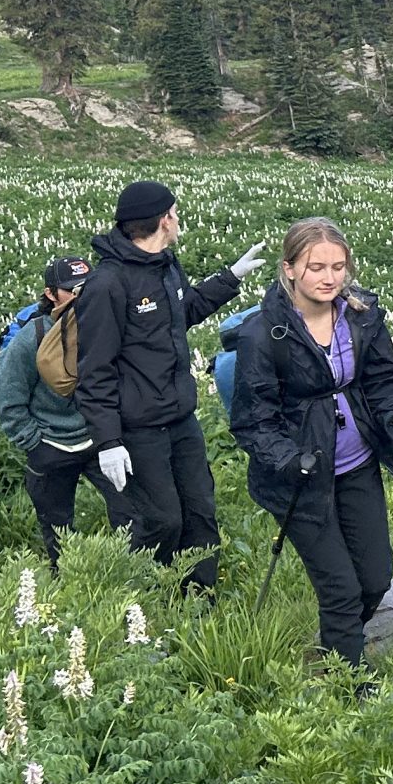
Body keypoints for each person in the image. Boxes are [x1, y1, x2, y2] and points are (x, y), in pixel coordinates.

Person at [227, 217, 393, 667]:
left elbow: (383, 383)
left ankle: (336, 646)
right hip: (302, 479)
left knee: (375, 578)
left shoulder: (361, 315)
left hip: (358, 463)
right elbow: (254, 421)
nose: (329, 278)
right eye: (316, 267)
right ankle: (350, 682)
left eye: (338, 266)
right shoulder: (264, 334)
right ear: (289, 269)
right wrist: (288, 460)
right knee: (341, 590)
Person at [73, 179, 268, 594]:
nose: (178, 220)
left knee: (200, 513)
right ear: (164, 219)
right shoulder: (107, 284)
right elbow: (95, 371)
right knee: (161, 520)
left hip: (180, 419)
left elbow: (184, 311)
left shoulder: (165, 264)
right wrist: (108, 441)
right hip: (138, 429)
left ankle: (199, 602)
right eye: (175, 213)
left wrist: (229, 278)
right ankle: (143, 601)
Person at [0, 255, 119, 567]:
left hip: (99, 439)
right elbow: (8, 399)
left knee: (131, 511)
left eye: (87, 287)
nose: (81, 295)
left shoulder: (104, 326)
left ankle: (129, 571)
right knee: (58, 528)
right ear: (50, 294)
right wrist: (35, 443)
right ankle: (66, 582)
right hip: (51, 444)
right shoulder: (32, 337)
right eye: (72, 289)